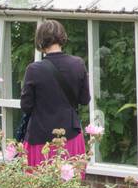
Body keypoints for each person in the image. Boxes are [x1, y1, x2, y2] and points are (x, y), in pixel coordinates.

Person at [20, 19, 91, 166]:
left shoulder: (33, 70)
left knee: (39, 186)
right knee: (71, 185)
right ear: (62, 37)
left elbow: (26, 106)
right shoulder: (78, 64)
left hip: (39, 140)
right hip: (70, 136)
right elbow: (84, 99)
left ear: (40, 41)